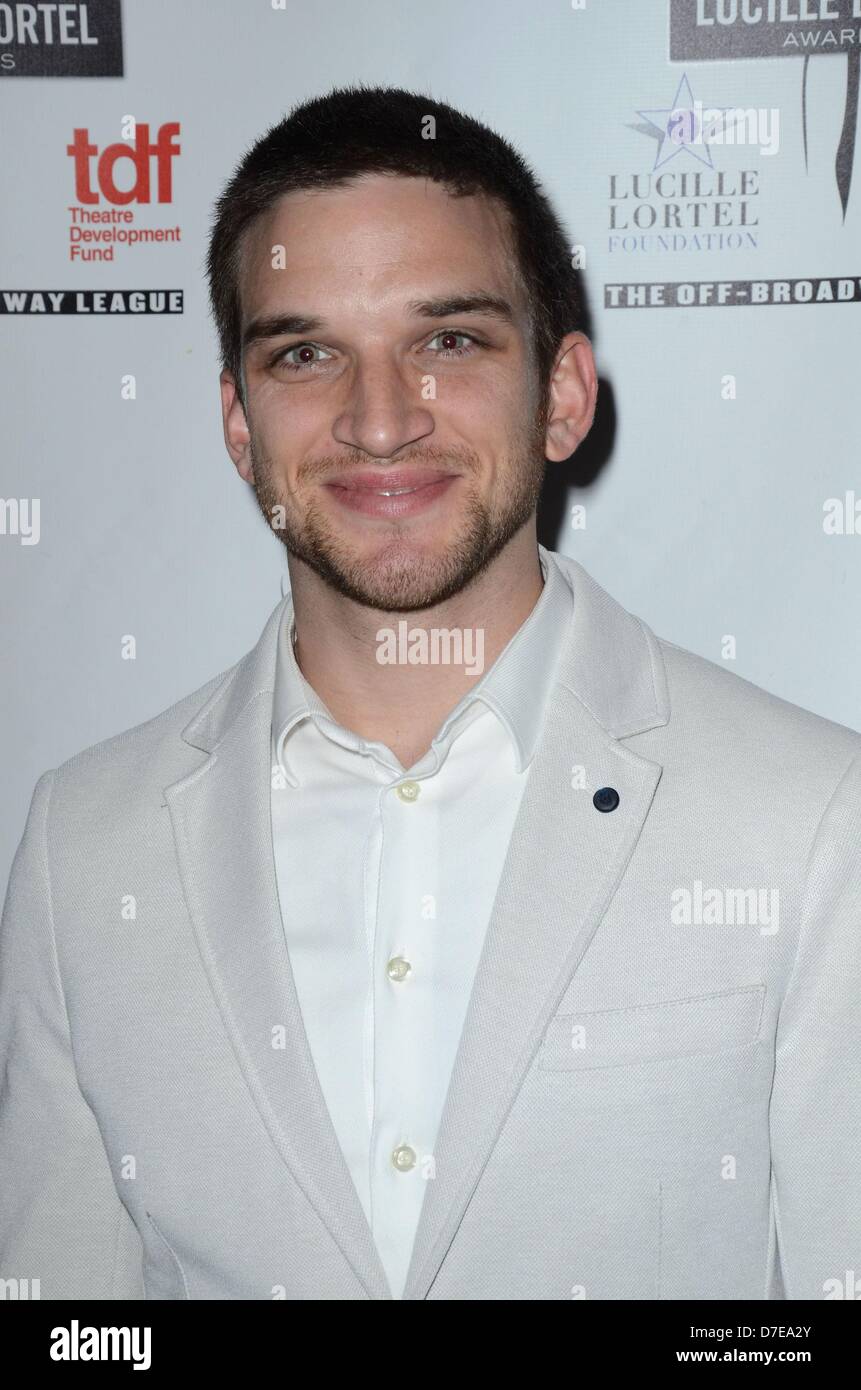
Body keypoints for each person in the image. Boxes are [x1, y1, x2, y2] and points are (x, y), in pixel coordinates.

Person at [1, 85, 859, 1302]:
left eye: (449, 340)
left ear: (561, 396)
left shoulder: (812, 820)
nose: (381, 420)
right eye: (307, 354)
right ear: (241, 427)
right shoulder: (81, 845)